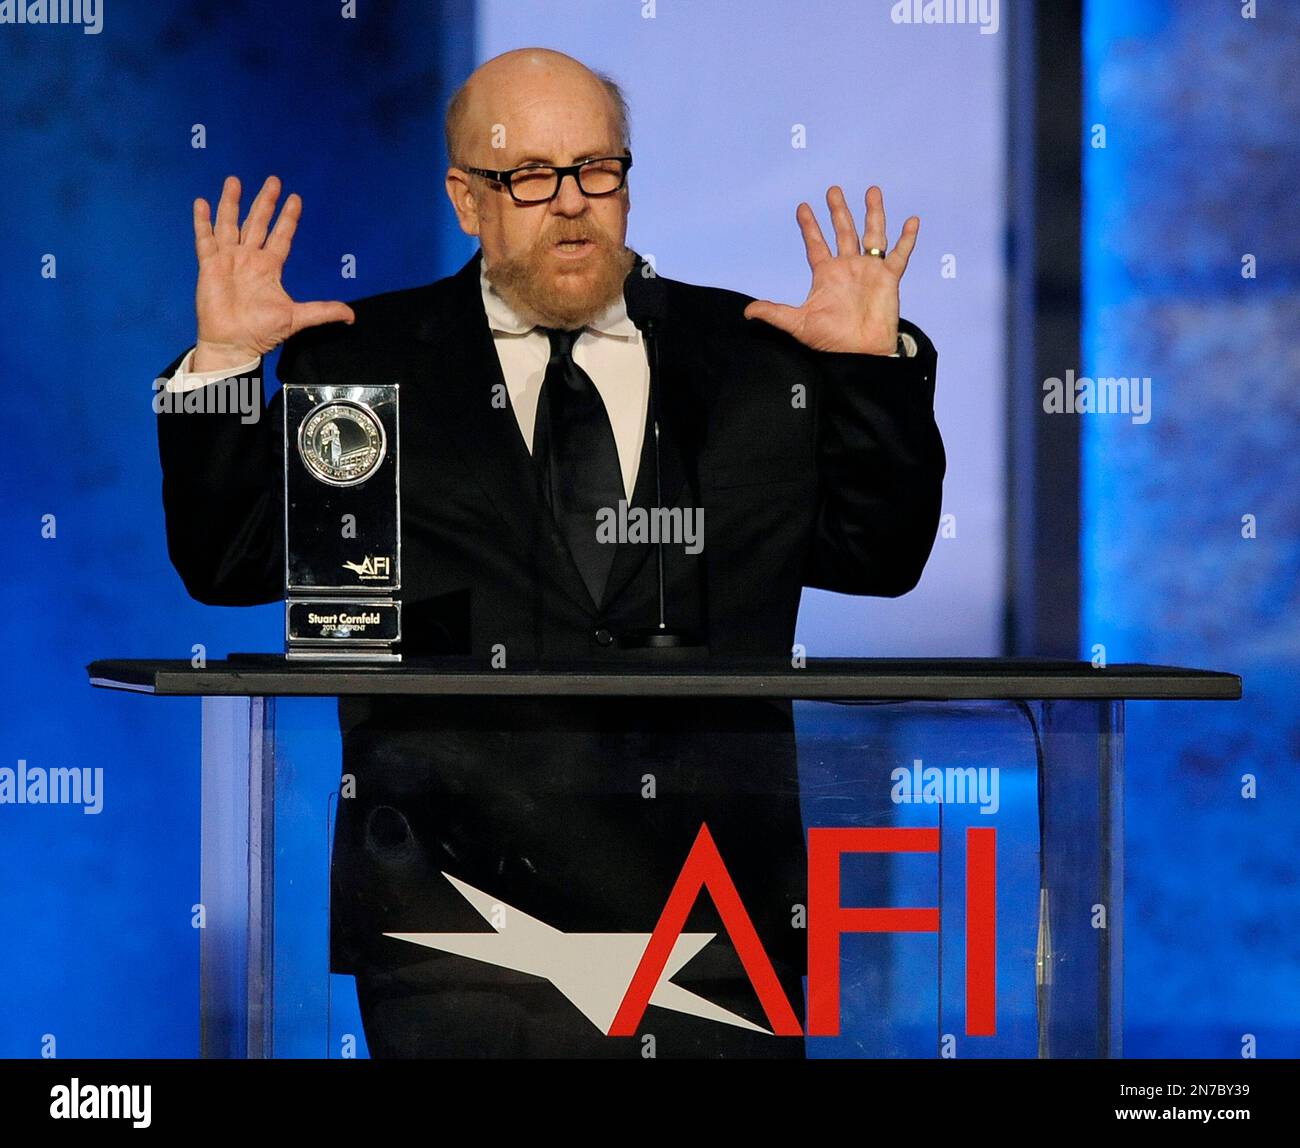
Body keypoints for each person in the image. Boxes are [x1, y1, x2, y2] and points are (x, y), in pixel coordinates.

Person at [156, 48, 945, 1058]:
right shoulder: (362, 359)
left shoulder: (752, 355)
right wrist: (223, 363)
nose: (569, 203)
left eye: (594, 169)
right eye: (527, 175)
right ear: (466, 199)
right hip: (456, 935)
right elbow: (227, 563)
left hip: (713, 926)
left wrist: (871, 373)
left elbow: (878, 554)